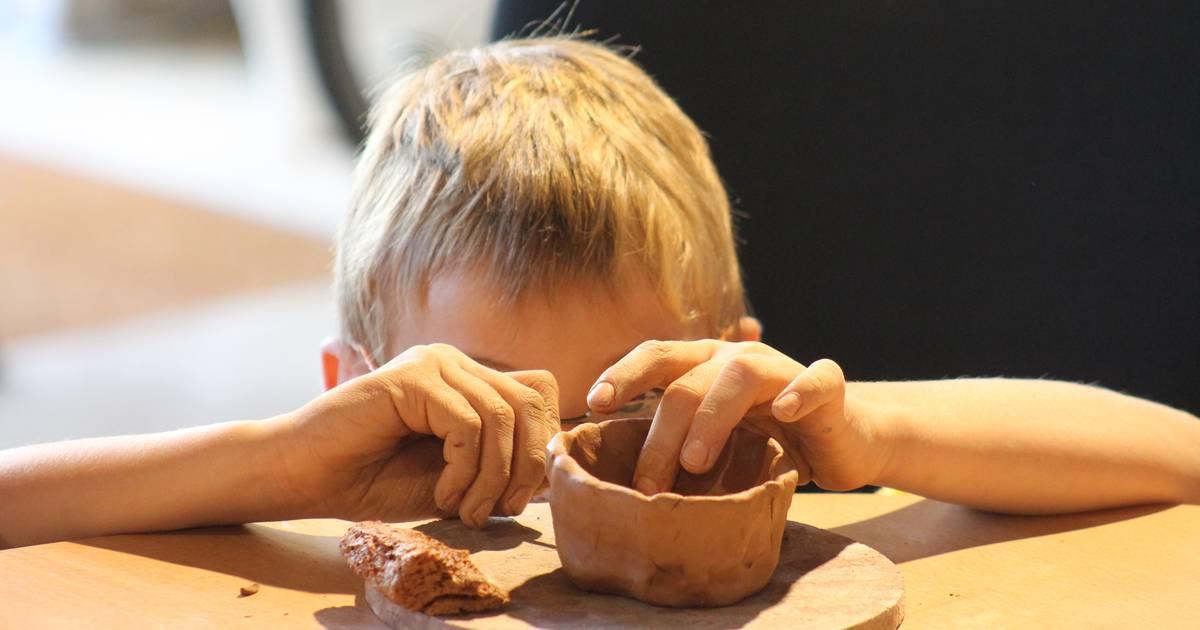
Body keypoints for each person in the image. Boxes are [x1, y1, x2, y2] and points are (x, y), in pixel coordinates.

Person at [2, 38, 1197, 550]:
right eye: (491, 419)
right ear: (354, 396)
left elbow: (1181, 459)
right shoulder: (329, 524)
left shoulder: (776, 531)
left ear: (727, 373)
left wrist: (865, 433)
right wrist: (276, 466)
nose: (561, 481)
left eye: (615, 429)